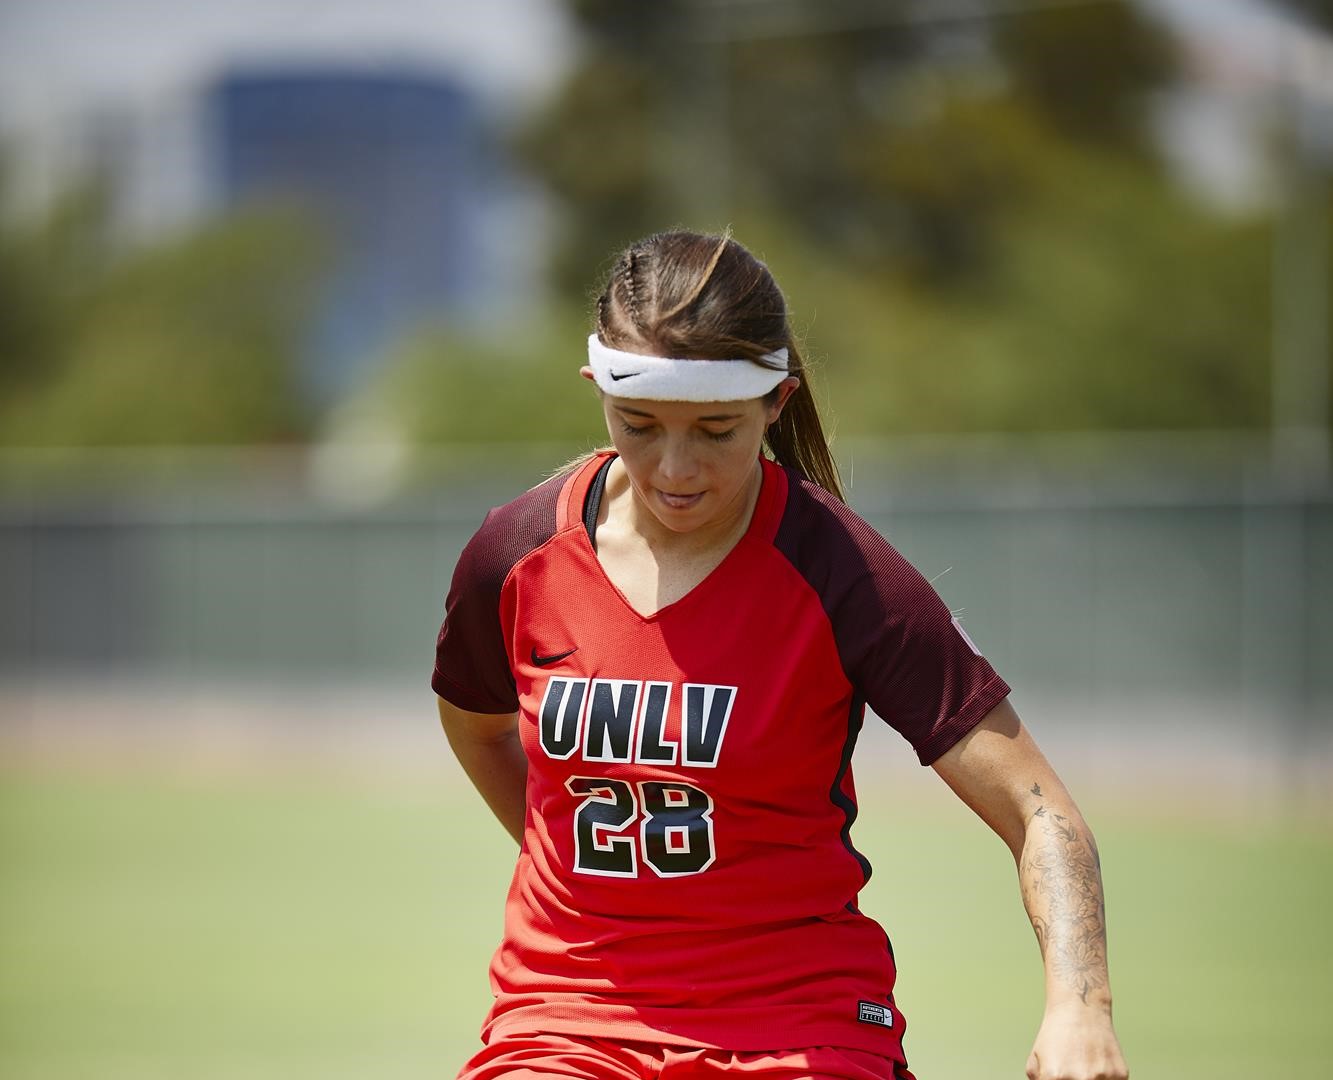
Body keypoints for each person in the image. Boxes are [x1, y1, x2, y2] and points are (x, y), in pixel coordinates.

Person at [433, 230, 1128, 1080]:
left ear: (776, 402)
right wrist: (590, 879)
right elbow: (478, 731)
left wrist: (1077, 1010)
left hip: (797, 1018)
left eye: (715, 430)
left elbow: (1041, 813)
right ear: (597, 389)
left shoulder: (848, 578)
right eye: (639, 425)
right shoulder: (513, 555)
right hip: (568, 1014)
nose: (674, 468)